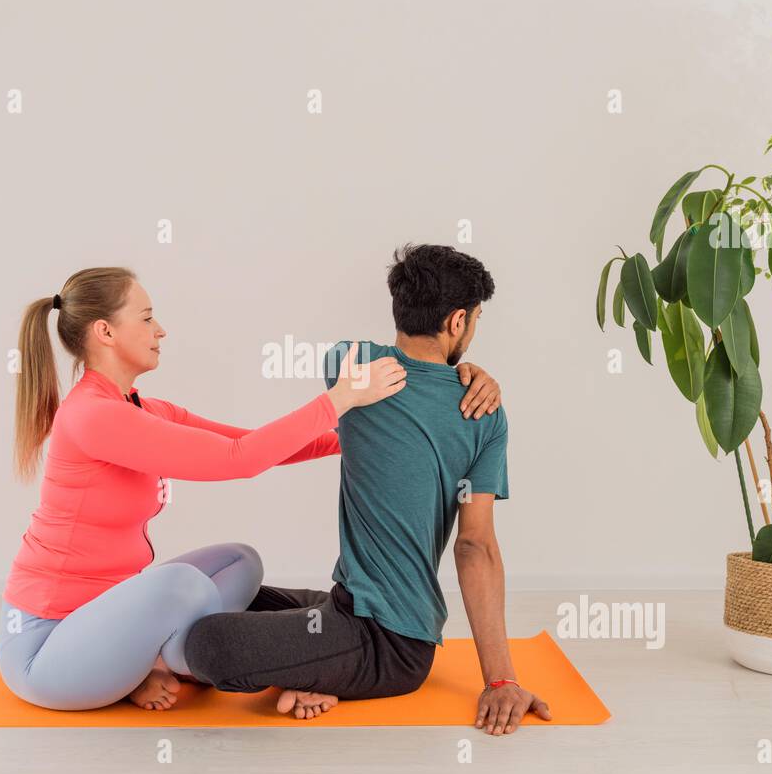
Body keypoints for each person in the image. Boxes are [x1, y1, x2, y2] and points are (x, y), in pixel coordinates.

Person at [0, 265, 505, 713]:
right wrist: (341, 400)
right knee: (183, 588)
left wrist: (371, 439)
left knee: (239, 562)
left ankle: (157, 659)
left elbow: (254, 443)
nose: (161, 330)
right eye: (147, 317)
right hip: (49, 644)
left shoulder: (139, 409)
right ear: (105, 331)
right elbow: (239, 462)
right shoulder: (94, 417)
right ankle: (152, 663)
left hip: (108, 615)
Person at [183, 244, 552, 735]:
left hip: (387, 639)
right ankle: (318, 666)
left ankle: (318, 665)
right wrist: (500, 678)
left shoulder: (350, 365)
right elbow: (474, 545)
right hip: (358, 617)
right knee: (215, 606)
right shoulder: (482, 412)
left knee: (207, 637)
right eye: (476, 319)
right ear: (458, 321)